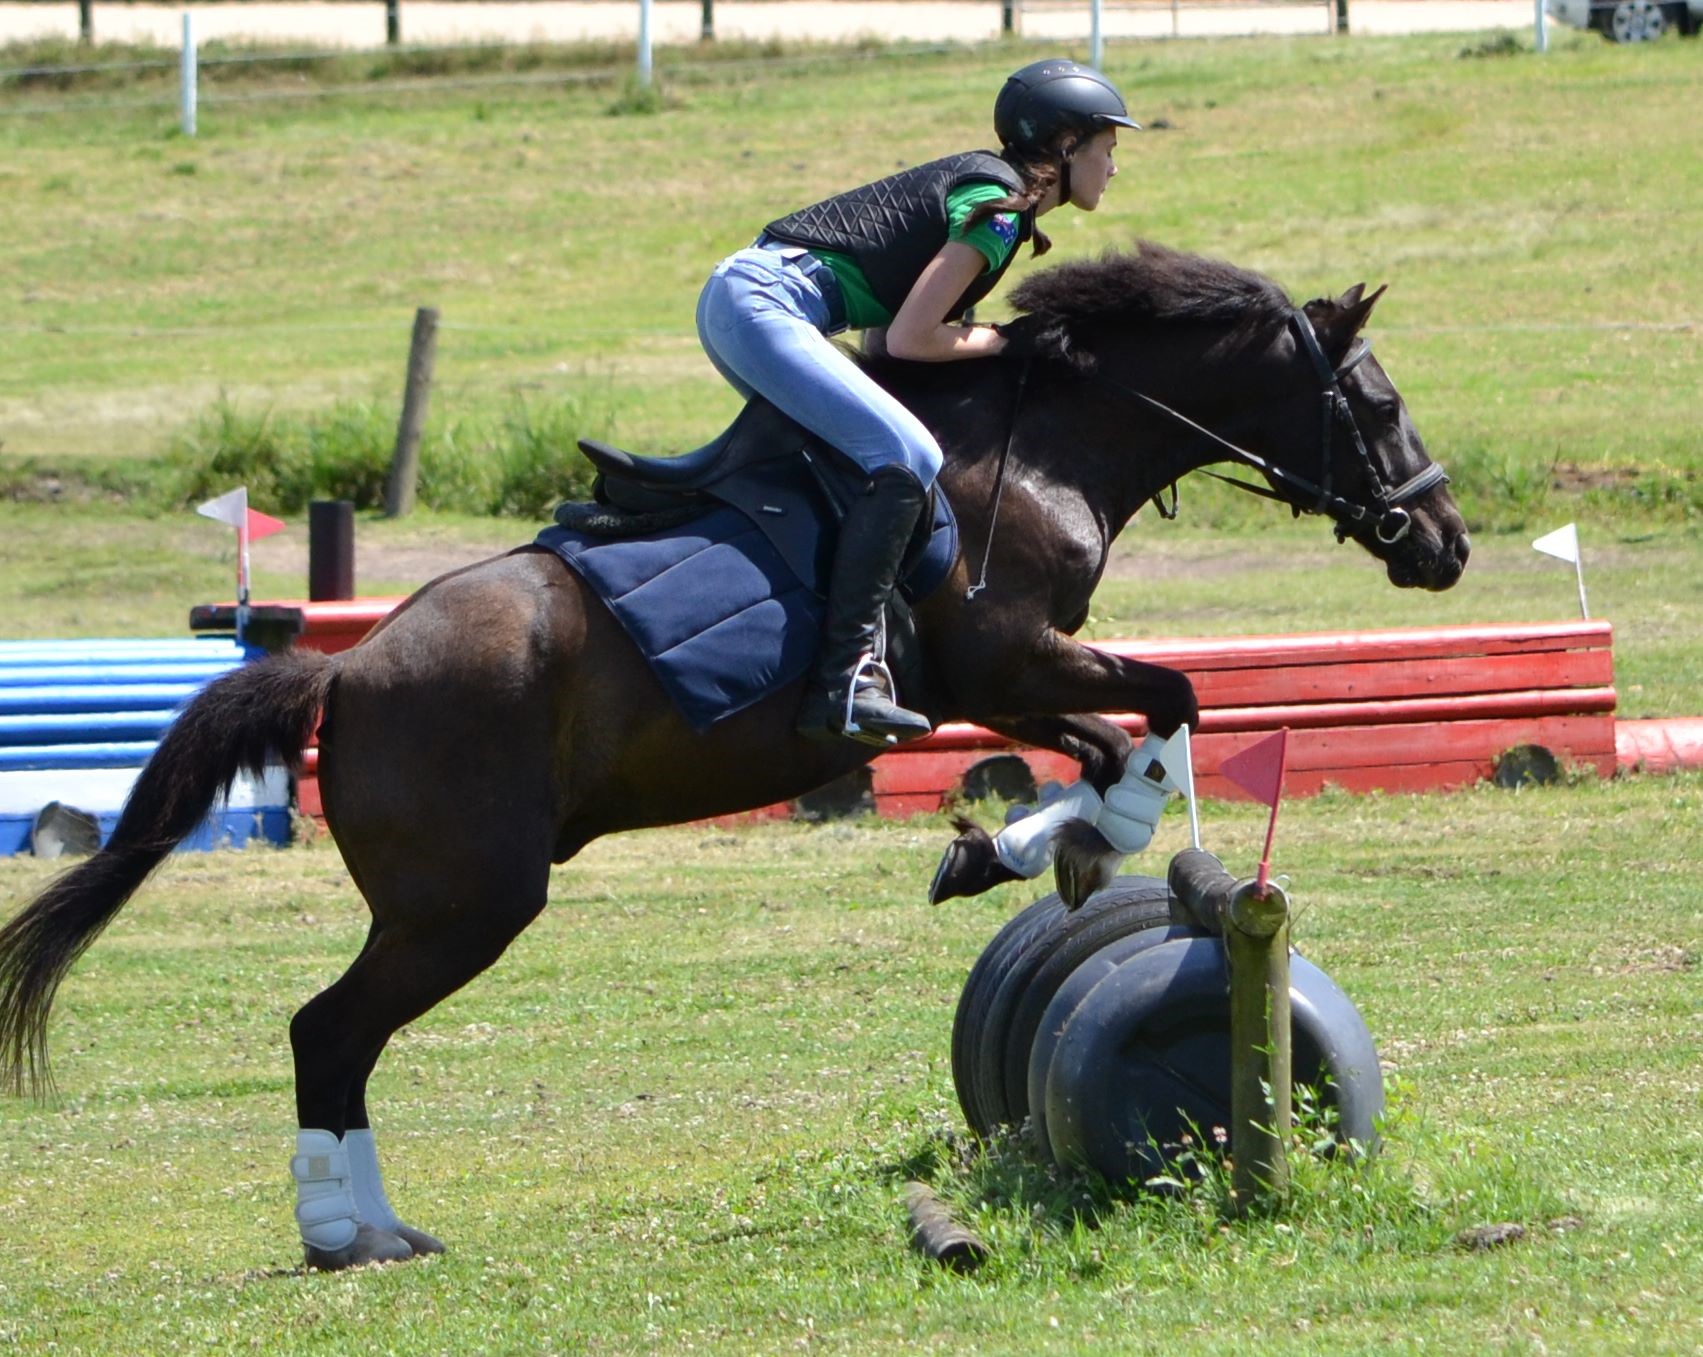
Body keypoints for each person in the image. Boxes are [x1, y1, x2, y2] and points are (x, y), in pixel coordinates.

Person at [693, 58, 1137, 747]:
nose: (1114, 166)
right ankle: (845, 681)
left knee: (857, 458)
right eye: (1106, 147)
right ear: (1065, 145)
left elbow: (888, 339)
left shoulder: (993, 195)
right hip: (762, 305)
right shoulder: (999, 213)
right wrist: (1012, 341)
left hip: (746, 301)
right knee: (908, 454)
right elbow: (910, 339)